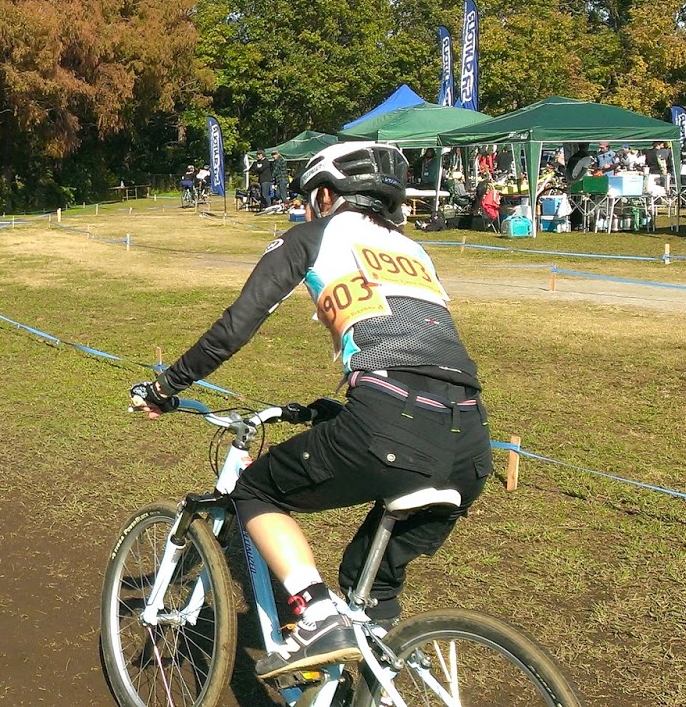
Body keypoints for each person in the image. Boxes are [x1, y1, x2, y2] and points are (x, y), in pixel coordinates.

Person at [128, 141, 488, 678]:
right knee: (371, 593)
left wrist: (166, 386)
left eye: (308, 199)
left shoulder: (315, 236)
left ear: (325, 194)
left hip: (389, 419)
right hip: (470, 440)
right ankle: (370, 679)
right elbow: (418, 349)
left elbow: (235, 326)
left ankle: (316, 615)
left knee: (253, 489)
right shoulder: (417, 254)